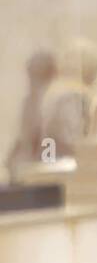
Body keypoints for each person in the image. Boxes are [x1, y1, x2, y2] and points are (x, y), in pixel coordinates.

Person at [5, 49, 56, 177]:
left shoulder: (49, 100)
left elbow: (45, 139)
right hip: (29, 165)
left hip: (40, 165)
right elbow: (24, 137)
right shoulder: (30, 101)